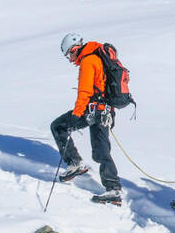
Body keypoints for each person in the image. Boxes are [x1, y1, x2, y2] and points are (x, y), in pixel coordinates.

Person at [51, 33, 122, 205]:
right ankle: (112, 188)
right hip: (104, 110)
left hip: (93, 109)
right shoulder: (96, 57)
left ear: (75, 49)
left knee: (58, 126)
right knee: (101, 149)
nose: (69, 59)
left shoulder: (88, 61)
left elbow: (84, 92)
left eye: (69, 54)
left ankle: (75, 163)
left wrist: (77, 114)